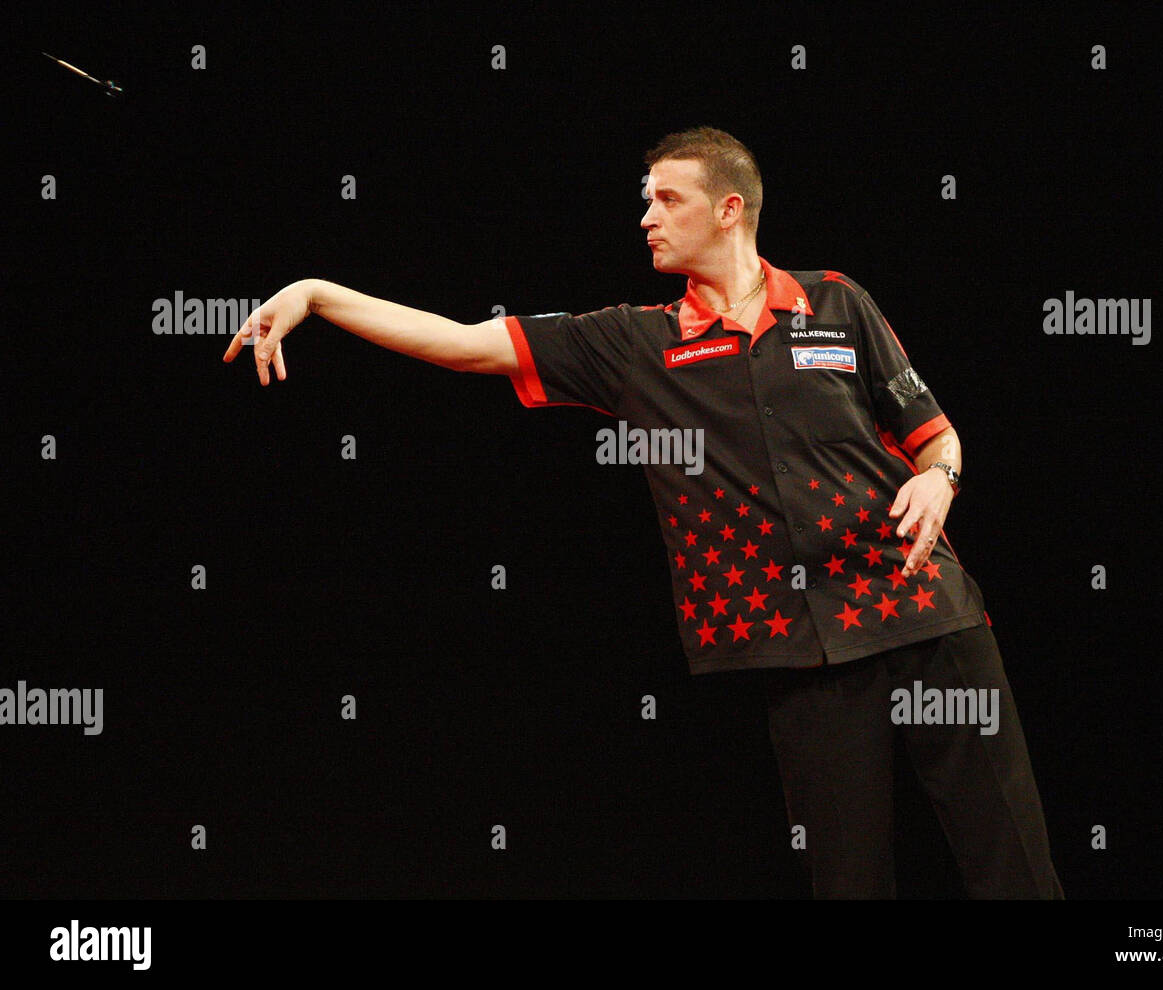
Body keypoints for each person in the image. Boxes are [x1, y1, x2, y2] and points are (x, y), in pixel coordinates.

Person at [224, 126, 1064, 899]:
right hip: (804, 659)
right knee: (848, 885)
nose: (645, 217)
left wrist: (939, 479)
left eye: (666, 199)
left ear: (728, 210)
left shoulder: (837, 302)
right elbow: (460, 340)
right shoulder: (631, 343)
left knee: (1013, 865)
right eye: (644, 198)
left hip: (930, 620)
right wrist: (317, 293)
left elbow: (936, 435)